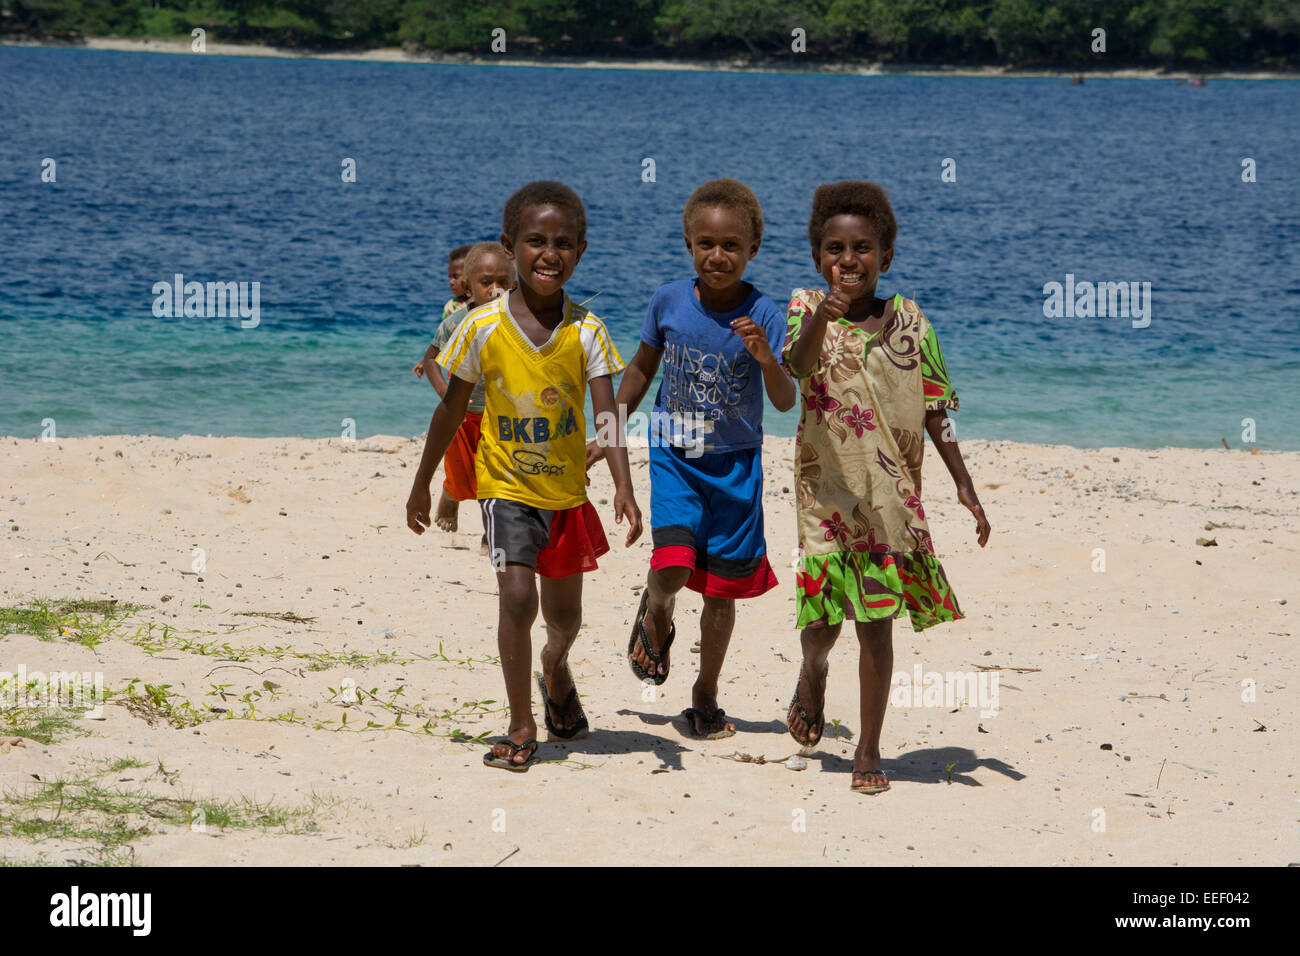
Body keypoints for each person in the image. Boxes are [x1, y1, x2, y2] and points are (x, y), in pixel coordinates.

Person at [406, 181, 642, 772]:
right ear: (511, 248)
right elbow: (452, 409)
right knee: (516, 599)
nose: (549, 253)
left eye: (563, 243)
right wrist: (423, 480)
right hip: (505, 488)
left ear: (581, 251)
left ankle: (554, 666)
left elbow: (606, 413)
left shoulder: (587, 331)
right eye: (536, 240)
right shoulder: (480, 326)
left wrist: (623, 483)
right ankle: (519, 723)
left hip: (565, 496)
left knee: (564, 620)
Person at [782, 181, 991, 794]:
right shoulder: (804, 308)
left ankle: (868, 750)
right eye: (835, 249)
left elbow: (936, 408)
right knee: (822, 626)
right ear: (818, 257)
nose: (848, 260)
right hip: (825, 495)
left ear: (886, 257)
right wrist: (823, 315)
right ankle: (813, 673)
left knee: (877, 623)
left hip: (891, 500)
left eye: (863, 248)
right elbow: (798, 367)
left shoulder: (912, 322)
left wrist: (965, 485)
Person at [588, 178, 795, 739]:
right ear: (688, 243)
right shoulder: (669, 300)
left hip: (736, 466)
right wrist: (605, 431)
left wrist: (765, 358)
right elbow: (638, 371)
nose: (718, 256)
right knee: (674, 565)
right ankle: (656, 612)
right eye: (706, 243)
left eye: (731, 245)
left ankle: (706, 693)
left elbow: (784, 399)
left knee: (722, 591)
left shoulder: (766, 314)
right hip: (675, 455)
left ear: (753, 249)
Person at [412, 242, 515, 539]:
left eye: (504, 284)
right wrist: (445, 390)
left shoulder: (518, 322)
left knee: (496, 477)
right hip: (462, 413)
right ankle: (450, 496)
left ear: (515, 285)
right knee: (460, 474)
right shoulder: (455, 323)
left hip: (503, 417)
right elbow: (431, 357)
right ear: (469, 286)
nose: (495, 290)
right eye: (486, 283)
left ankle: (491, 533)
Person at [441, 244, 472, 319]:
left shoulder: (483, 304)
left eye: (456, 277)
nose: (451, 282)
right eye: (450, 277)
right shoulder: (450, 307)